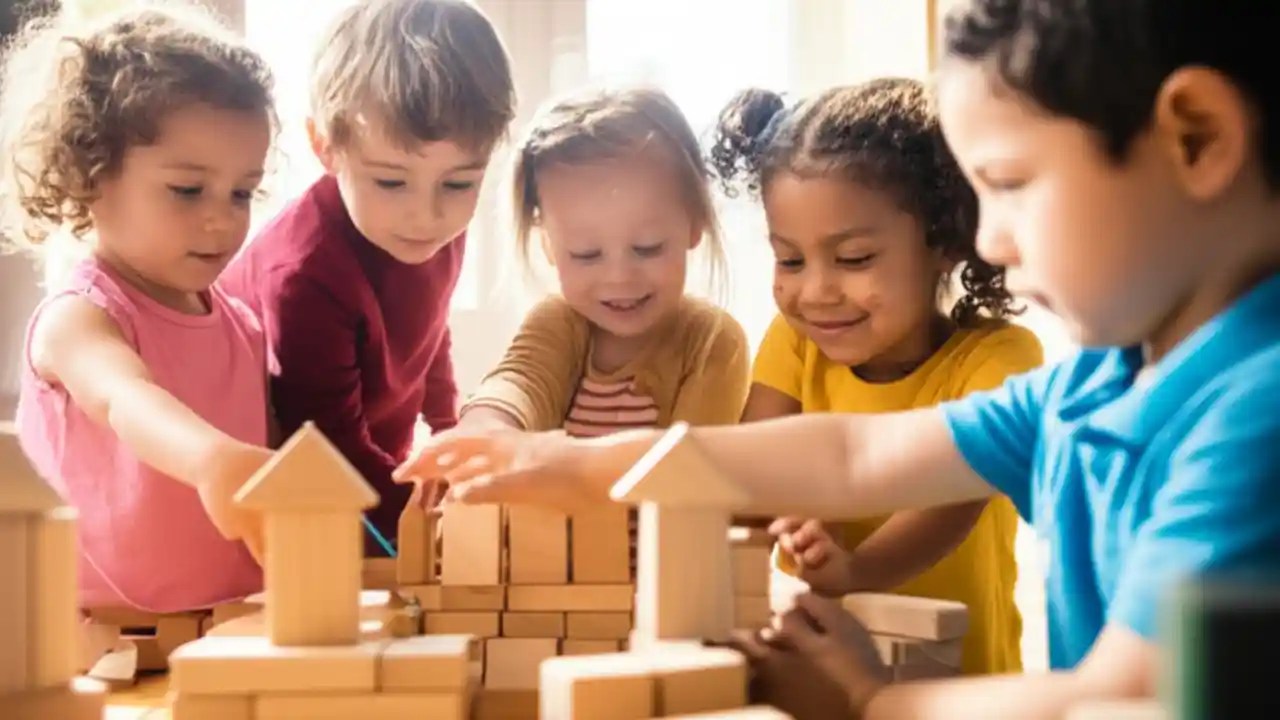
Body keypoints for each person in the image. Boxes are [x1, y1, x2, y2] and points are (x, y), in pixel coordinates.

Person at [395, 0, 1280, 716]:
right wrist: (575, 465)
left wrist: (865, 700)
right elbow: (850, 454)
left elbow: (1126, 699)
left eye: (1008, 186)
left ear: (1196, 139)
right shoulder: (1094, 382)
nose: (991, 238)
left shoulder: (1259, 410)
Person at [709, 77, 1040, 675]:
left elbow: (950, 497)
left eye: (854, 259)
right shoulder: (793, 343)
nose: (814, 292)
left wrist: (855, 570)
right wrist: (790, 515)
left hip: (961, 686)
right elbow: (750, 467)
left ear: (945, 240)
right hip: (823, 674)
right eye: (789, 259)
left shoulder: (999, 360)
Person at [4, 3, 276, 613]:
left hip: (226, 622)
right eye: (187, 189)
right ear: (90, 175)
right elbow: (125, 397)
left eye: (242, 192)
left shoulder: (241, 323)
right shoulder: (81, 318)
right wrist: (213, 461)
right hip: (100, 637)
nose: (222, 218)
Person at [218, 0, 516, 547]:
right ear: (326, 147)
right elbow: (327, 449)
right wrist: (444, 526)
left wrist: (455, 434)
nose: (427, 215)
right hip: (302, 491)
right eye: (390, 182)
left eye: (458, 183)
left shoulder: (433, 232)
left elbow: (428, 334)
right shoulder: (305, 274)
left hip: (377, 468)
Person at [441, 86, 748, 445]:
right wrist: (485, 425)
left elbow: (687, 471)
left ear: (694, 225)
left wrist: (566, 469)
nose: (619, 278)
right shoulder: (559, 321)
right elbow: (519, 381)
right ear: (549, 247)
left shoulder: (711, 342)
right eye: (585, 254)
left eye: (647, 248)